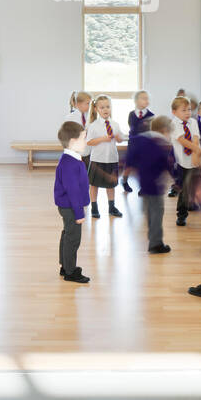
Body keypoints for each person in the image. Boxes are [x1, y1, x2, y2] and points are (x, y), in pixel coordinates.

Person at [126, 116, 175, 254]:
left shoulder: (140, 139)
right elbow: (165, 164)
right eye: (169, 132)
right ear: (164, 130)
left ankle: (153, 238)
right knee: (157, 212)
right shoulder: (157, 143)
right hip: (154, 184)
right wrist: (175, 179)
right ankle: (156, 243)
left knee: (150, 211)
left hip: (144, 182)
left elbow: (130, 158)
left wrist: (131, 170)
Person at [53, 121, 91, 284]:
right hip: (70, 206)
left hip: (69, 205)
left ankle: (65, 265)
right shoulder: (69, 163)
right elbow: (73, 191)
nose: (86, 141)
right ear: (73, 142)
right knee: (73, 238)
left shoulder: (73, 159)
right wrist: (79, 213)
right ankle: (70, 271)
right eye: (83, 138)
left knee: (67, 234)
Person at [85, 94, 124, 218]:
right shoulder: (93, 126)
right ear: (96, 109)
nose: (106, 109)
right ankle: (94, 207)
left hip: (111, 159)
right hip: (97, 159)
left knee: (111, 185)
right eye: (102, 107)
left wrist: (118, 137)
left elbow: (120, 138)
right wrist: (102, 139)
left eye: (108, 106)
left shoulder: (115, 124)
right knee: (94, 185)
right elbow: (89, 142)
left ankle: (112, 207)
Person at [170, 95, 201, 225]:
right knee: (184, 188)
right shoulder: (174, 124)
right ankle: (181, 214)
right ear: (174, 112)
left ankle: (192, 203)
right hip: (182, 163)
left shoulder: (193, 122)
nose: (188, 113)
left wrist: (196, 154)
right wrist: (197, 150)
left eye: (189, 109)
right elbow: (182, 140)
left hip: (194, 160)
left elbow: (195, 137)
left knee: (193, 185)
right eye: (184, 110)